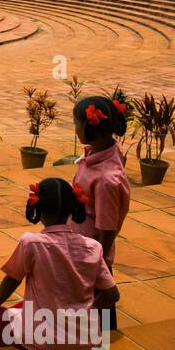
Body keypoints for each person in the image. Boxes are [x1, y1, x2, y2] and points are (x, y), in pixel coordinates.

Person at [0, 179, 120, 350]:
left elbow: (13, 278)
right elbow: (111, 294)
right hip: (88, 342)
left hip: (42, 342)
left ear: (39, 210)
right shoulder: (93, 247)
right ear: (72, 209)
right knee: (22, 306)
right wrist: (86, 311)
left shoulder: (32, 243)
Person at [69, 93, 131, 271]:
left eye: (75, 123)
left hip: (89, 255)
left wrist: (98, 265)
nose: (74, 129)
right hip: (78, 244)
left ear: (89, 129)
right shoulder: (100, 151)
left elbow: (107, 229)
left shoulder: (106, 179)